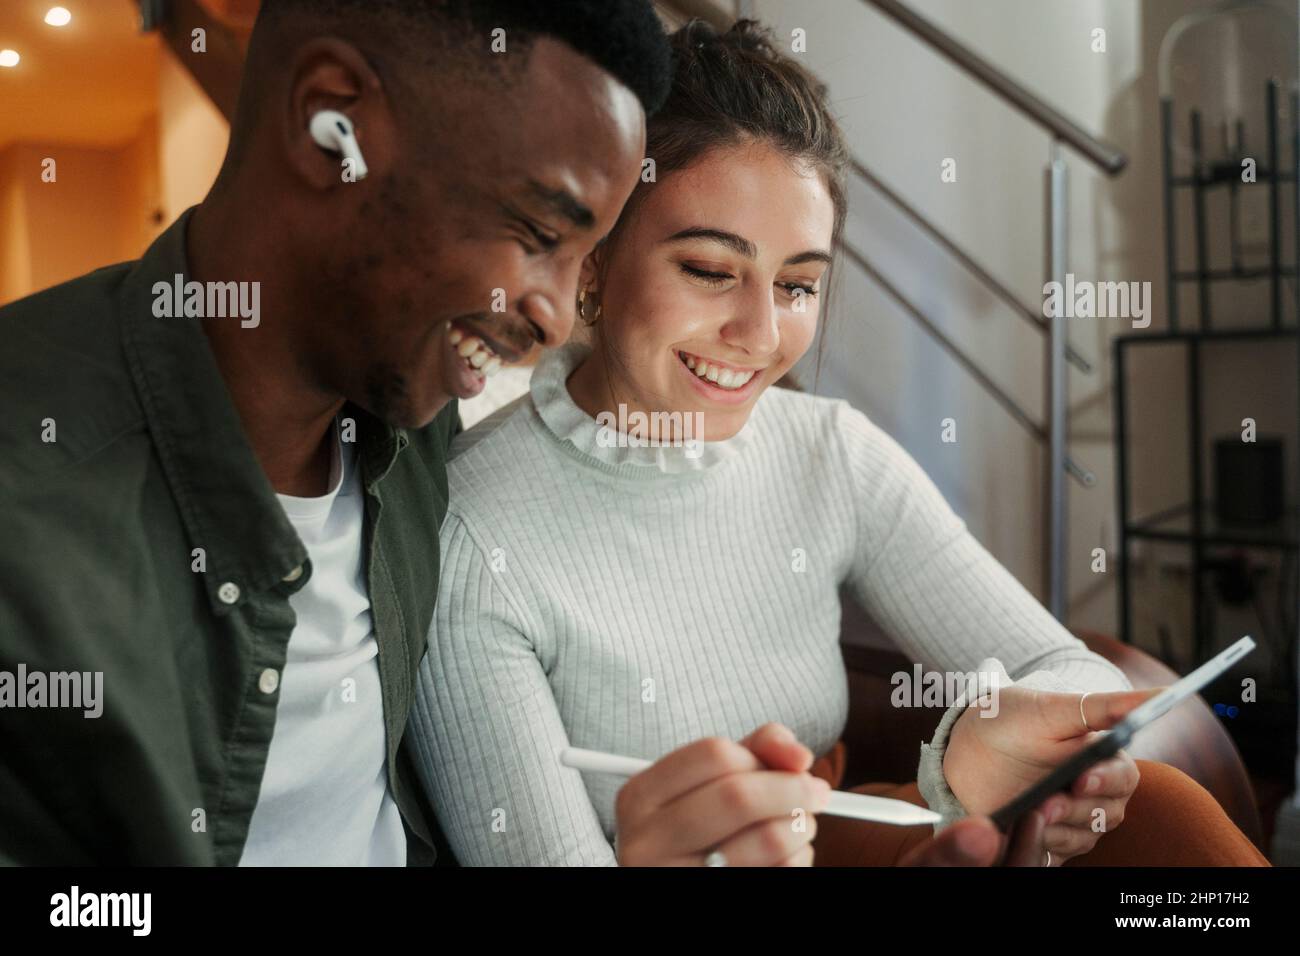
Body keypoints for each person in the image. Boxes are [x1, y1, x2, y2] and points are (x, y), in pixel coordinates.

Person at [409, 19, 1270, 867]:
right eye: (710, 270)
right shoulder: (477, 536)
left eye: (797, 285)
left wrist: (981, 755)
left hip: (850, 842)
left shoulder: (829, 452)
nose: (757, 332)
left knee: (1157, 811)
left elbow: (1069, 669)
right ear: (594, 262)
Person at [0, 0, 840, 868]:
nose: (555, 319)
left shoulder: (417, 431)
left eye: (581, 255)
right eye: (535, 232)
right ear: (332, 125)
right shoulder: (31, 499)